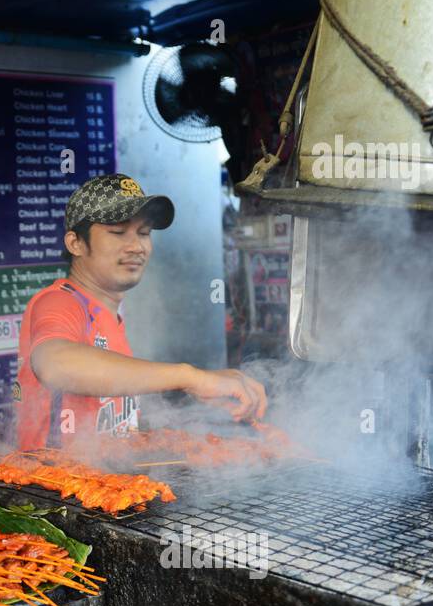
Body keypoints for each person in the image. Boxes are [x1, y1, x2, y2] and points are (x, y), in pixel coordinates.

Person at [15, 173, 268, 451]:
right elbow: (55, 364)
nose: (137, 246)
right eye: (118, 232)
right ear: (75, 243)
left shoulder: (109, 315)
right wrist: (190, 377)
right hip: (52, 488)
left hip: (107, 488)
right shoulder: (59, 302)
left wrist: (201, 394)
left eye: (144, 233)